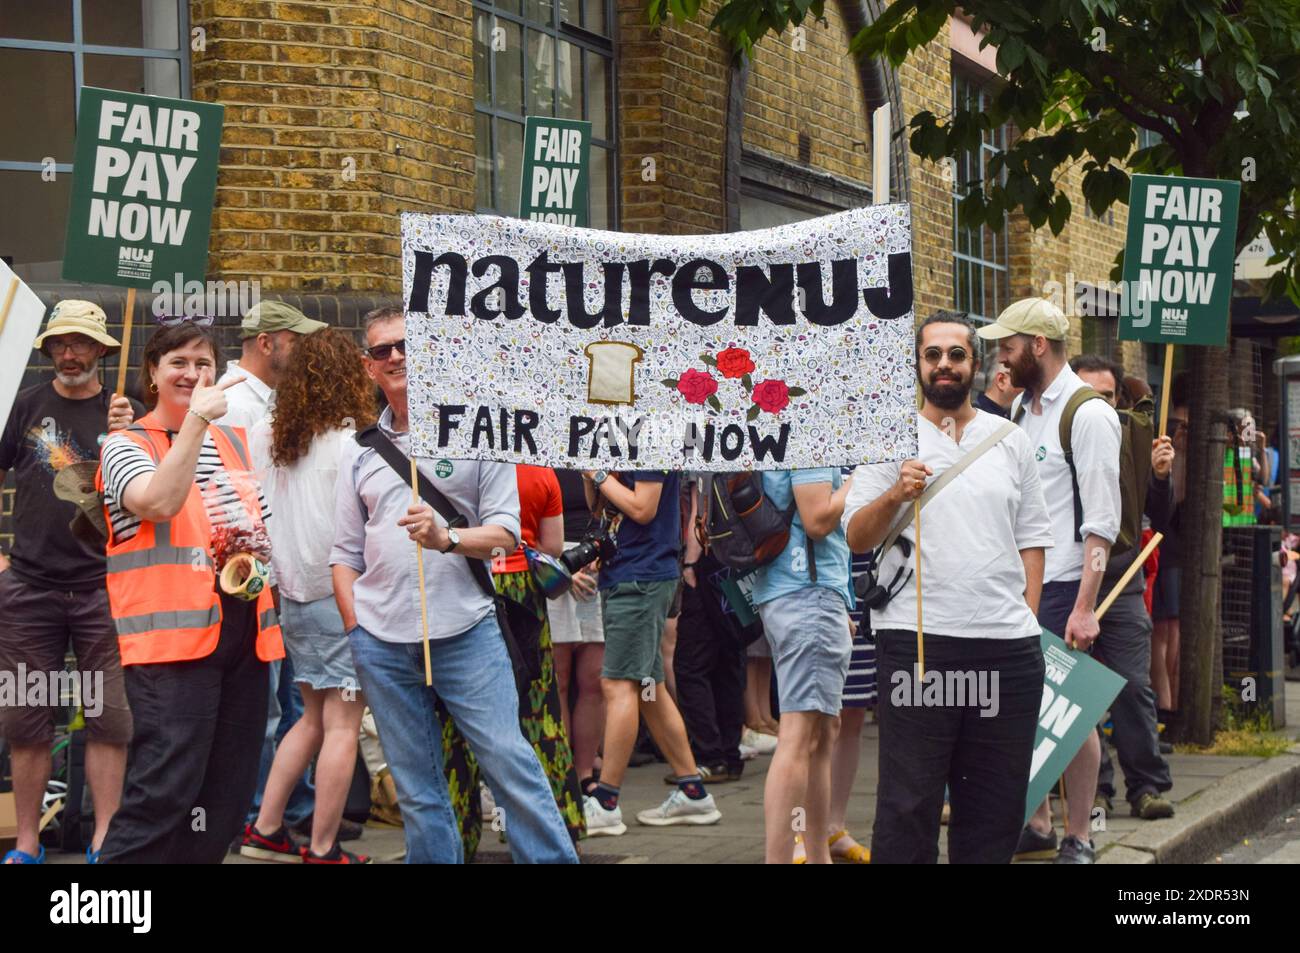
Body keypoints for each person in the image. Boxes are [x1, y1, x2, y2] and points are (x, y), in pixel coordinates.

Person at [330, 307, 577, 864]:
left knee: (510, 765)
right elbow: (343, 554)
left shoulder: (478, 428)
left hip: (466, 630)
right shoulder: (360, 448)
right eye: (380, 351)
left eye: (403, 345)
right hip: (383, 642)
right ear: (368, 367)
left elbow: (508, 533)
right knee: (419, 789)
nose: (393, 357)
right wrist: (355, 630)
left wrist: (446, 538)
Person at [846, 312, 1052, 864]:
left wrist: (1028, 618)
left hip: (1006, 652)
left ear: (974, 365)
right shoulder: (887, 439)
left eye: (956, 354)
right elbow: (856, 538)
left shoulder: (1008, 440)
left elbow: (1033, 537)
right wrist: (894, 495)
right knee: (908, 805)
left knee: (993, 807)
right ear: (917, 364)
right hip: (919, 646)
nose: (944, 364)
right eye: (932, 354)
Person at [96, 321, 283, 863]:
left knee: (224, 795)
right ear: (152, 373)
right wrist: (197, 420)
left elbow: (254, 528)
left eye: (204, 364)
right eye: (178, 361)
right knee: (164, 790)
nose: (193, 373)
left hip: (243, 633)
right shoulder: (125, 445)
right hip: (172, 642)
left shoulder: (231, 442)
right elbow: (157, 502)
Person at [978, 298, 1121, 865]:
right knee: (1026, 709)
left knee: (1070, 713)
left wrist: (1085, 606)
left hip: (1064, 585)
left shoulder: (1087, 414)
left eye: (1008, 345)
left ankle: (1080, 834)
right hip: (1019, 585)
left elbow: (1102, 523)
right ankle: (1037, 822)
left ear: (1038, 344)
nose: (1000, 356)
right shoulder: (1020, 409)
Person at [0, 301, 139, 864]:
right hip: (29, 586)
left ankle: (104, 839)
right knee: (27, 719)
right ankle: (29, 841)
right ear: (49, 350)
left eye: (81, 343)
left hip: (105, 588)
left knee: (109, 716)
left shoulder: (125, 412)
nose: (70, 353)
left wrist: (134, 438)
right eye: (60, 343)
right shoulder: (26, 404)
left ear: (103, 350)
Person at [239, 328, 377, 864]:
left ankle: (266, 828)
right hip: (342, 595)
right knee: (342, 722)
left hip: (290, 594)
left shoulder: (267, 435)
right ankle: (321, 848)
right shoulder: (354, 443)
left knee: (312, 718)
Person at [221, 300, 328, 841]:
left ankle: (287, 810)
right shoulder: (234, 404)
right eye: (296, 339)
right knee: (268, 706)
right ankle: (261, 814)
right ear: (267, 343)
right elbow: (238, 498)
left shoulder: (264, 400)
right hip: (255, 580)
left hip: (278, 576)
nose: (305, 349)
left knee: (291, 702)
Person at [581, 467, 721, 834]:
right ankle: (693, 792)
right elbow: (599, 509)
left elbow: (643, 508)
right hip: (628, 573)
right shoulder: (619, 433)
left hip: (639, 577)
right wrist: (592, 476)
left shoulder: (647, 433)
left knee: (618, 684)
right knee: (648, 688)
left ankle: (607, 801)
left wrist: (596, 474)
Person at [1070, 355, 1176, 820]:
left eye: (1107, 397)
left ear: (1120, 400)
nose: (1098, 406)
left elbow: (1158, 514)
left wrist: (1158, 476)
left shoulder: (1131, 440)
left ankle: (1147, 786)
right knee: (1077, 693)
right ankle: (1094, 789)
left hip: (1121, 582)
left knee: (1132, 686)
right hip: (1068, 587)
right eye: (1086, 395)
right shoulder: (1057, 440)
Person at [752, 465, 855, 865]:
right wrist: (858, 481)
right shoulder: (811, 433)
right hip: (806, 590)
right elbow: (817, 519)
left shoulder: (786, 423)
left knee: (821, 731)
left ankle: (817, 856)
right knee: (798, 735)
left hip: (796, 590)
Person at [490, 464, 585, 842]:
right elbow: (553, 548)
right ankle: (560, 823)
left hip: (471, 586)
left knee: (469, 715)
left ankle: (460, 833)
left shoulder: (465, 464)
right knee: (539, 709)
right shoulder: (541, 472)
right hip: (523, 592)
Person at [669, 476, 748, 783]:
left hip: (706, 560)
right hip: (735, 559)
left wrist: (690, 562)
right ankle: (729, 754)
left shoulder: (699, 443)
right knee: (728, 661)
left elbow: (699, 508)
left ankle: (710, 756)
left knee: (689, 664)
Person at [549, 469, 606, 792]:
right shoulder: (538, 448)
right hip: (551, 561)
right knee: (559, 676)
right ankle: (562, 772)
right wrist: (560, 570)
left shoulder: (597, 439)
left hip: (595, 562)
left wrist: (601, 555)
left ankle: (585, 773)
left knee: (593, 678)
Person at [1151, 374, 1188, 720]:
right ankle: (1168, 703)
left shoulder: (1171, 431)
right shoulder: (1173, 433)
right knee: (1166, 628)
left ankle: (1167, 704)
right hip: (1171, 545)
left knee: (1165, 628)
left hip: (1168, 545)